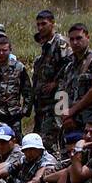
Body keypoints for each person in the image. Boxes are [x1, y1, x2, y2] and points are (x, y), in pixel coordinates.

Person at [32, 9, 74, 150]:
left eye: (43, 24)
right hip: (44, 103)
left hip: (58, 99)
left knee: (54, 137)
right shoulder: (46, 46)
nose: (40, 28)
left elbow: (70, 67)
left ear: (53, 23)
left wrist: (56, 83)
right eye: (38, 24)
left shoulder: (60, 43)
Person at [60, 24, 92, 136]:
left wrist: (72, 111)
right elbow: (62, 92)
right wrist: (63, 116)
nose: (75, 42)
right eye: (72, 39)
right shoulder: (69, 66)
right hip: (71, 123)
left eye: (79, 38)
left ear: (87, 37)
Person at [0, 35, 33, 141]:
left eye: (4, 50)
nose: (1, 53)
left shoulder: (19, 68)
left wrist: (25, 111)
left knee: (15, 143)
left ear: (10, 50)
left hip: (13, 115)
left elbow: (27, 91)